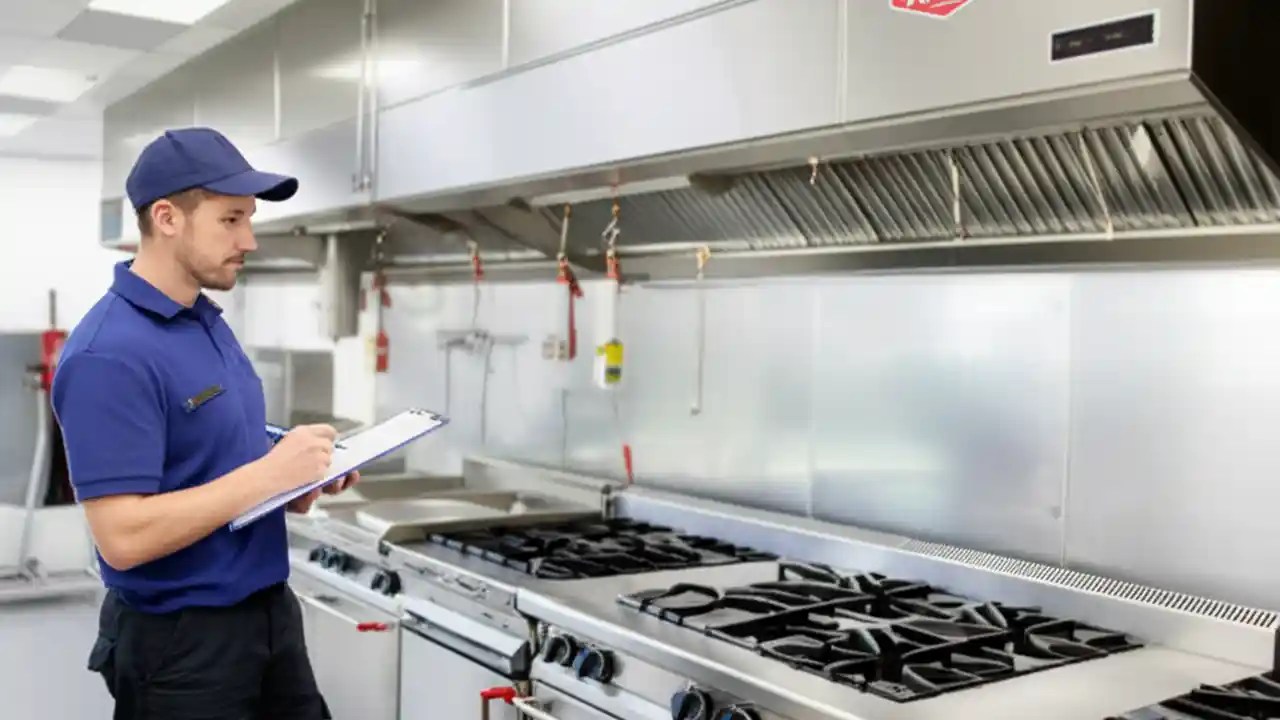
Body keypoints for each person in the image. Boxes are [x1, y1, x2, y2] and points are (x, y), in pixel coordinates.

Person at [51, 127, 359, 719]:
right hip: (183, 646)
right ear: (167, 217)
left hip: (268, 619)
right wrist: (269, 476)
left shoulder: (202, 319)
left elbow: (208, 448)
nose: (250, 239)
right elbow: (124, 536)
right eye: (231, 219)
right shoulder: (107, 354)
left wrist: (298, 475)